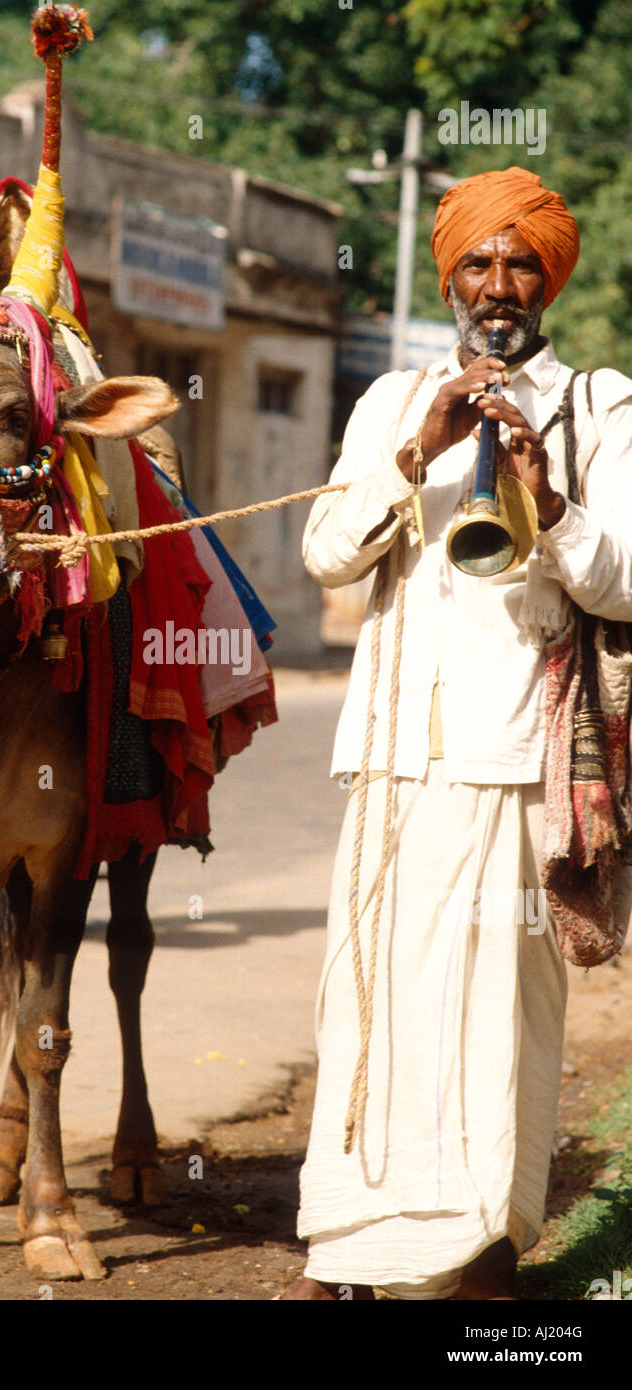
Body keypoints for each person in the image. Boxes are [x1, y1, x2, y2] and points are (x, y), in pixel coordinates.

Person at [285, 167, 632, 1301]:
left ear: (548, 277)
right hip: (390, 764)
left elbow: (626, 584)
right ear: (450, 275)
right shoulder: (391, 399)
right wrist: (412, 456)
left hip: (510, 762)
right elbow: (327, 554)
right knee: (370, 1002)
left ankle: (478, 1257)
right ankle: (356, 1253)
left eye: (519, 261)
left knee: (496, 1017)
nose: (497, 283)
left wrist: (553, 495)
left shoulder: (601, 403)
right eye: (477, 262)